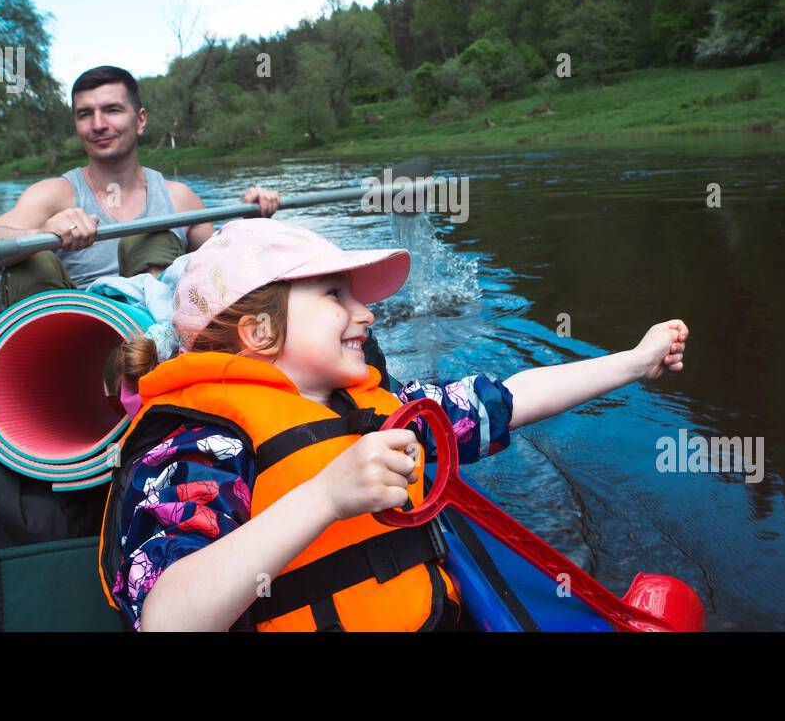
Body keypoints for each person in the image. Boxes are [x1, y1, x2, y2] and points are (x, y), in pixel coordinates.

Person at [95, 218, 690, 632]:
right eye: (336, 295)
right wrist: (326, 497)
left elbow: (509, 399)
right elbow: (167, 617)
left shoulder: (387, 408)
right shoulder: (196, 444)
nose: (367, 312)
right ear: (259, 332)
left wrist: (633, 363)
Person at [0, 64, 282, 306]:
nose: (98, 124)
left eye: (112, 110)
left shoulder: (180, 198)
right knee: (29, 259)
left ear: (140, 119)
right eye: (85, 114)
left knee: (151, 237)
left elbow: (226, 275)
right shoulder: (51, 194)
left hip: (155, 342)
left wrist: (252, 226)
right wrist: (41, 236)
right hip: (71, 343)